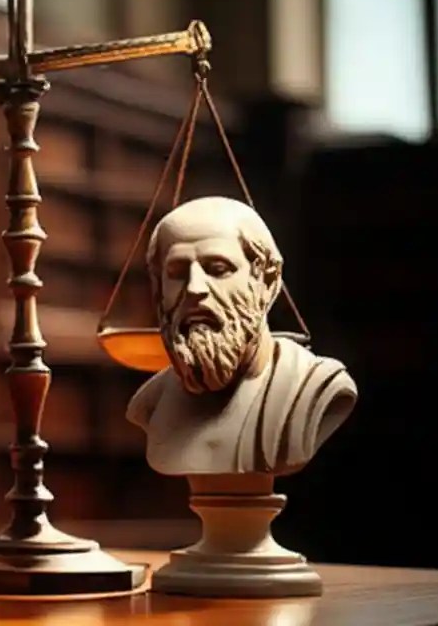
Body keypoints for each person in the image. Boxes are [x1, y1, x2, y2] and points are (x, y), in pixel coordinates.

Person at [126, 197, 357, 475]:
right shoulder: (151, 402)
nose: (195, 288)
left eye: (218, 269)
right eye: (176, 273)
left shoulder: (314, 388)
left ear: (268, 282)